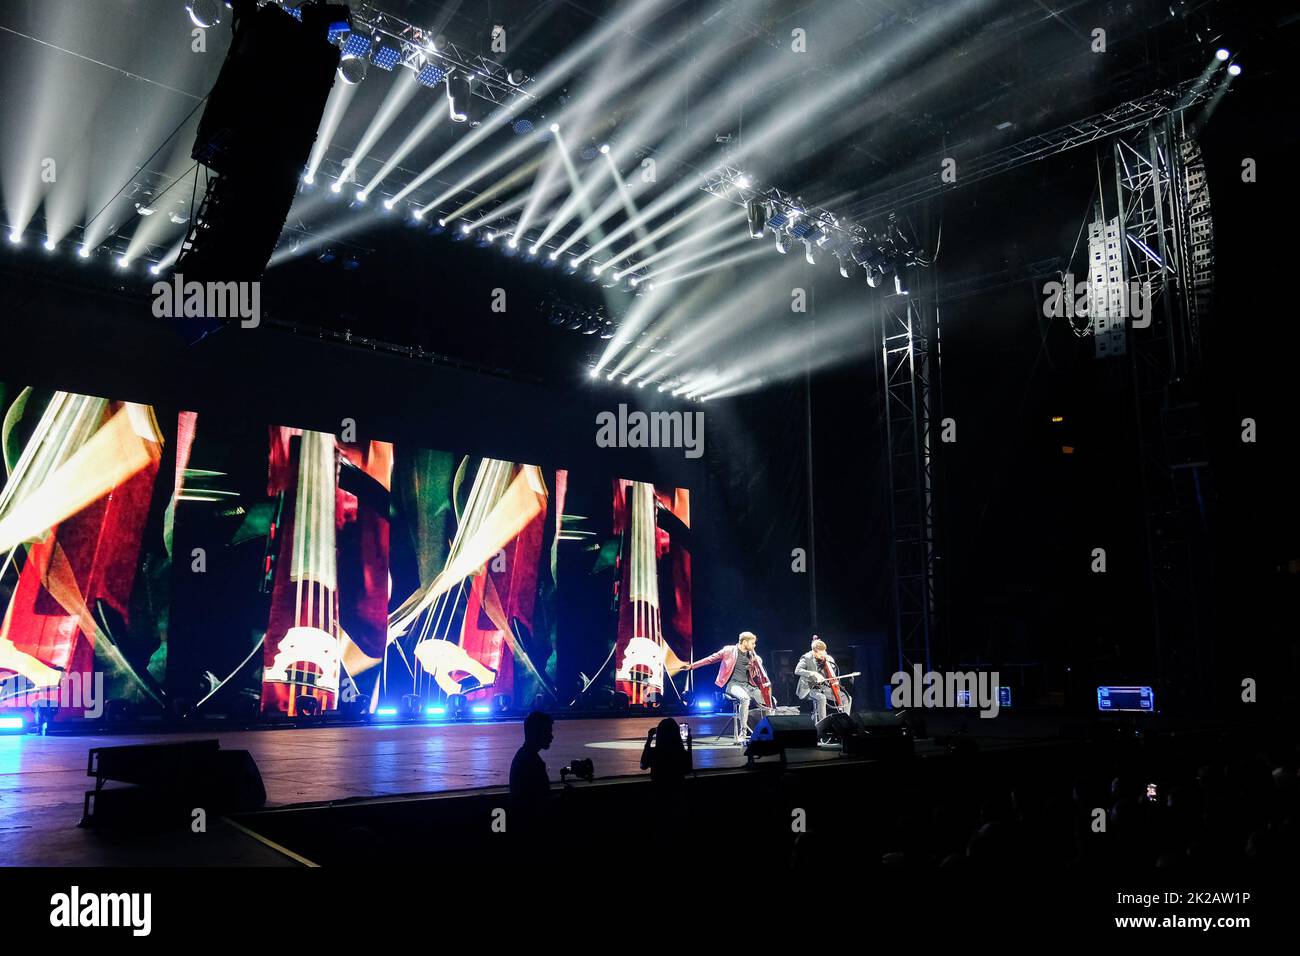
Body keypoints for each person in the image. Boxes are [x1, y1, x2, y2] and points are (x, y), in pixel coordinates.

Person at [683, 631, 771, 742]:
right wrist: (692, 666)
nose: (754, 646)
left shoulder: (752, 656)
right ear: (744, 642)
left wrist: (756, 664)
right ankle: (743, 733)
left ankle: (768, 731)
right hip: (734, 684)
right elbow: (710, 659)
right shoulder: (728, 650)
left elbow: (759, 673)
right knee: (745, 699)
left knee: (767, 701)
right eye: (752, 643)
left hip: (749, 685)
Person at [509, 710, 554, 832]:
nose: (551, 737)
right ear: (537, 733)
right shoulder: (532, 762)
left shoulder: (524, 757)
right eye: (548, 732)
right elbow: (540, 803)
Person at [795, 637, 852, 725]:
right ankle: (823, 724)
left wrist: (831, 665)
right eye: (820, 654)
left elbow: (832, 672)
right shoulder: (806, 658)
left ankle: (844, 722)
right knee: (822, 698)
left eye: (824, 653)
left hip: (823, 687)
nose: (823, 656)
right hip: (809, 688)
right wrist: (813, 673)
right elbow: (797, 671)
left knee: (847, 698)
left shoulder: (826, 657)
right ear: (814, 651)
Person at [641, 717, 691, 786]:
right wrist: (689, 745)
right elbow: (688, 770)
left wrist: (649, 740)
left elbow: (643, 766)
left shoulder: (654, 752)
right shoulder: (680, 753)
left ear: (659, 733)